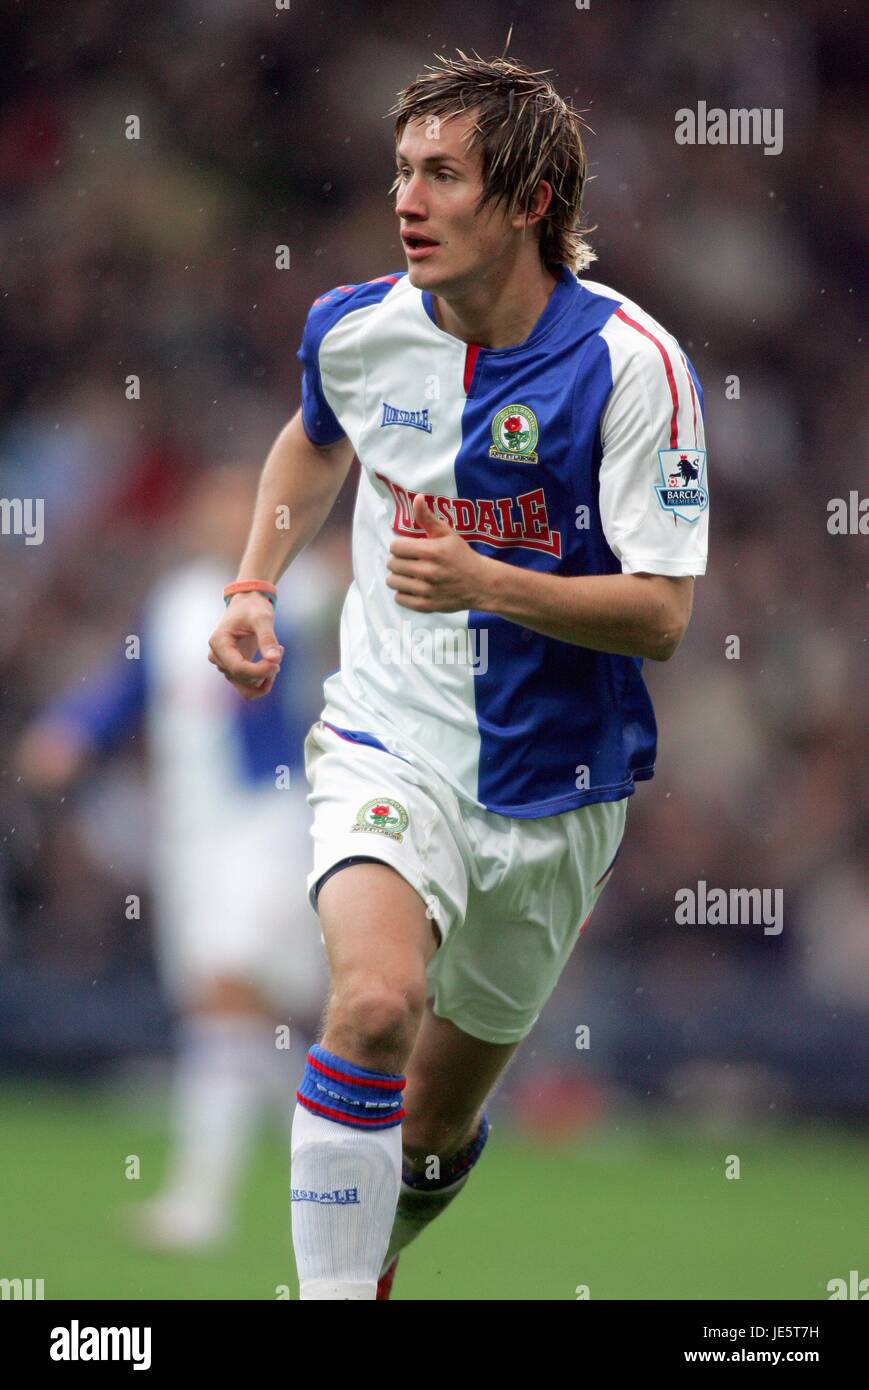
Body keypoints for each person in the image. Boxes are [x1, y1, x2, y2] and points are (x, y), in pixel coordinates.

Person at [207, 48, 709, 1300]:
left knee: (428, 1135)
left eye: (442, 175)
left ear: (529, 200)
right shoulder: (359, 328)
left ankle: (367, 1266)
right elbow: (313, 439)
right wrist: (254, 583)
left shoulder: (632, 368)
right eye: (400, 172)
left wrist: (490, 582)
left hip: (558, 787)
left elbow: (659, 614)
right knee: (374, 1003)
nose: (407, 200)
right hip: (390, 734)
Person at [17, 465, 340, 1249]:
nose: (228, 520)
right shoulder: (172, 605)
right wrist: (69, 732)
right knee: (233, 1008)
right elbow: (127, 687)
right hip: (191, 835)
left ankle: (202, 1200)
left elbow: (353, 577)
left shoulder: (295, 592)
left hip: (272, 818)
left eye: (246, 506)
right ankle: (354, 1131)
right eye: (218, 505)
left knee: (226, 991)